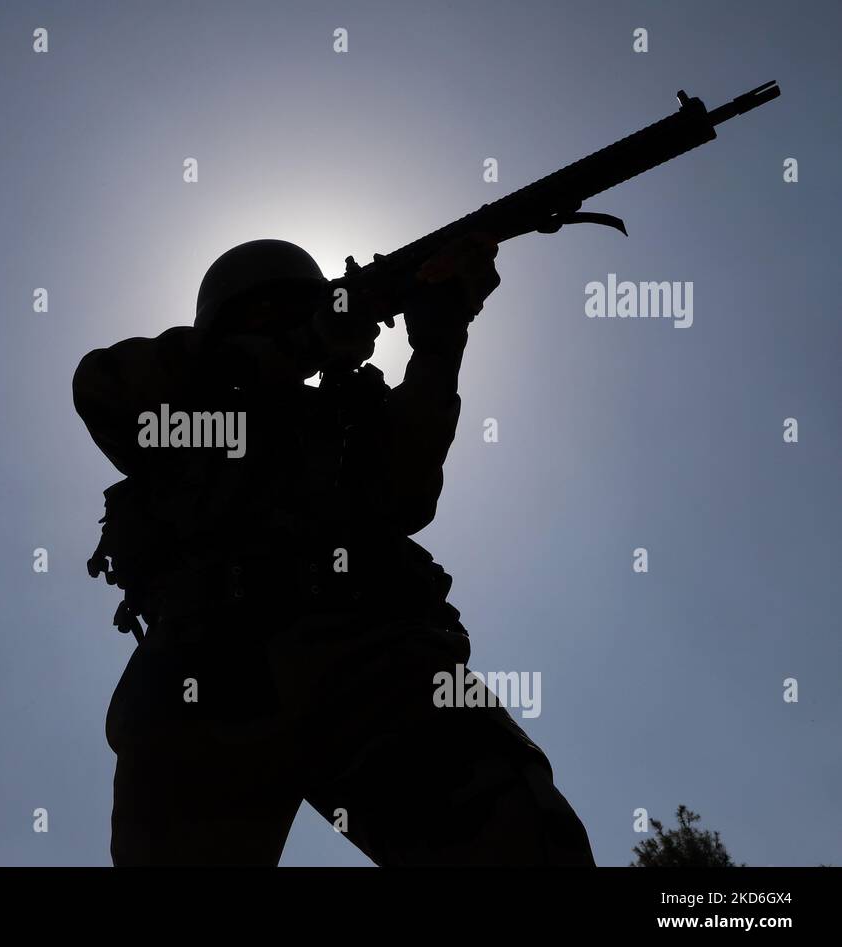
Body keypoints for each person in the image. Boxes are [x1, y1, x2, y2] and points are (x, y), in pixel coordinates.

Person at [73, 235, 595, 865]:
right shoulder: (183, 397)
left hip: (369, 653)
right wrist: (302, 346)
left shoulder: (341, 412)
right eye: (266, 315)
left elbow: (405, 498)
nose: (288, 326)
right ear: (228, 326)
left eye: (297, 311)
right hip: (208, 669)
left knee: (523, 845)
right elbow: (103, 388)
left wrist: (439, 343)